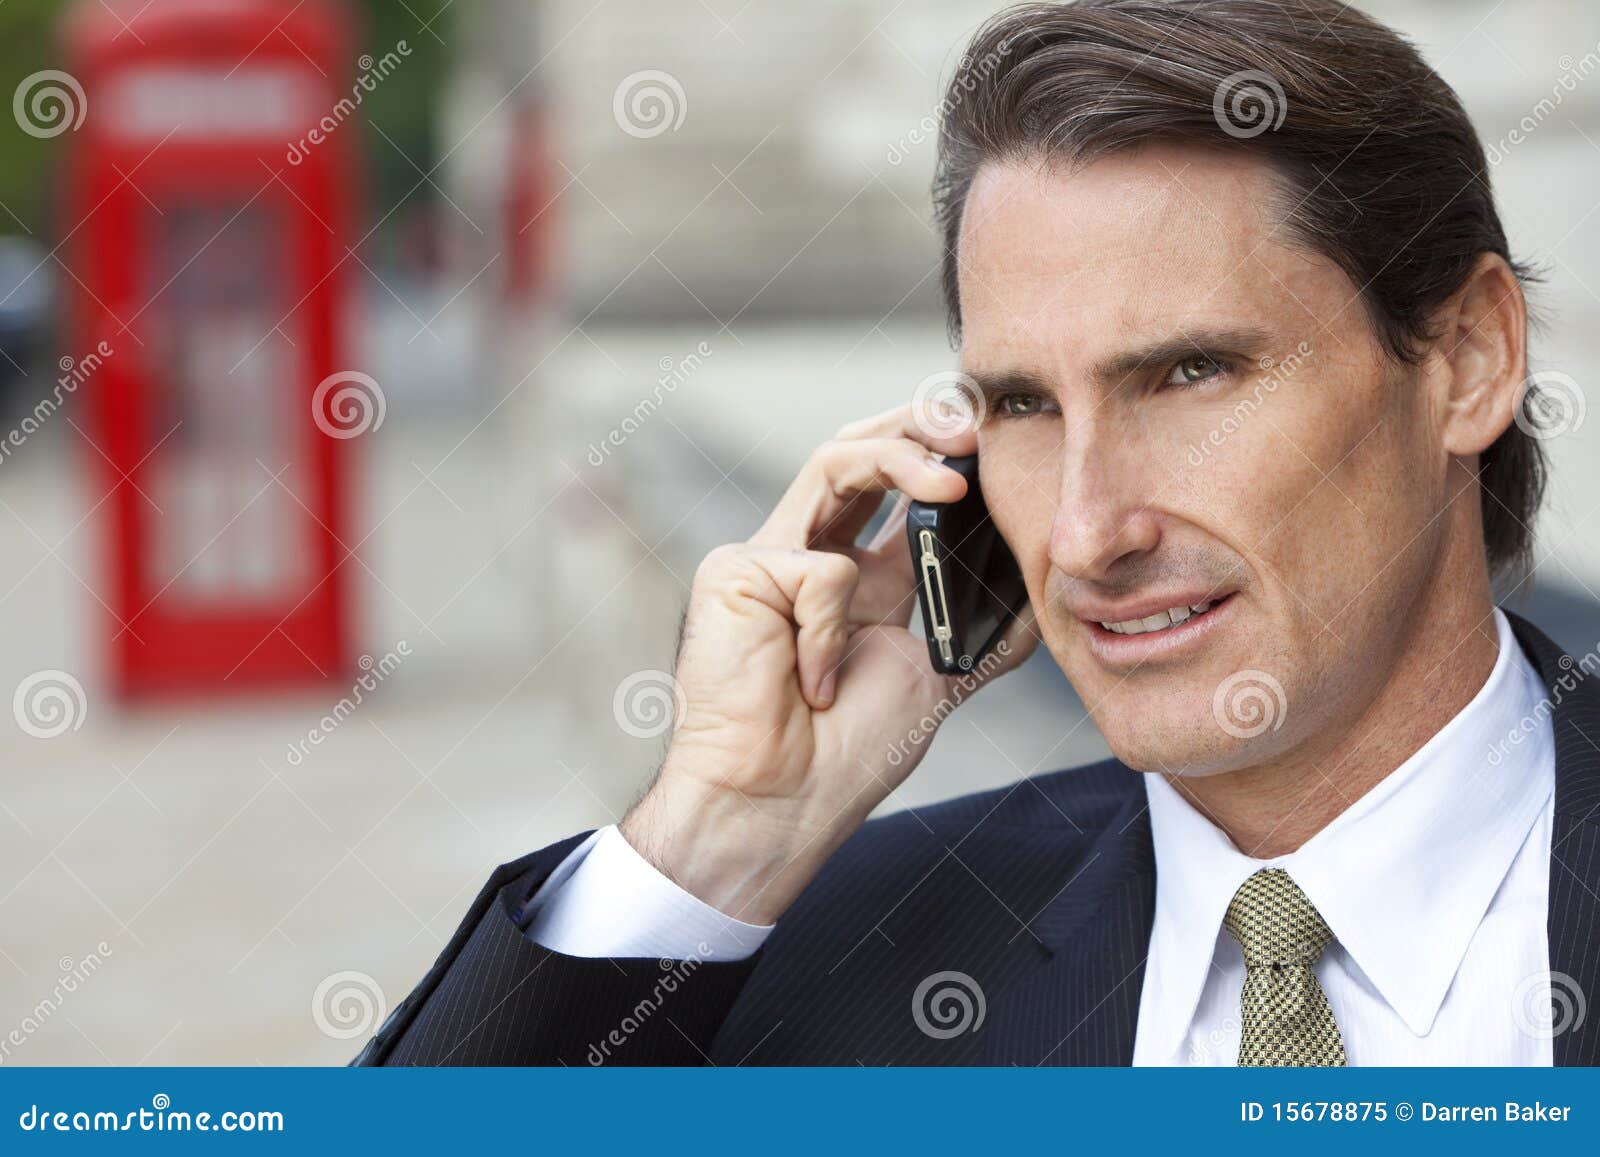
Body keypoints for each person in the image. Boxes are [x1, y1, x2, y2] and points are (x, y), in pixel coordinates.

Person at [357, 0, 1600, 1066]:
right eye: (1021, 405)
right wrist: (717, 834)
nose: (1084, 529)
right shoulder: (838, 946)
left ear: (1468, 357)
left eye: (1189, 375)